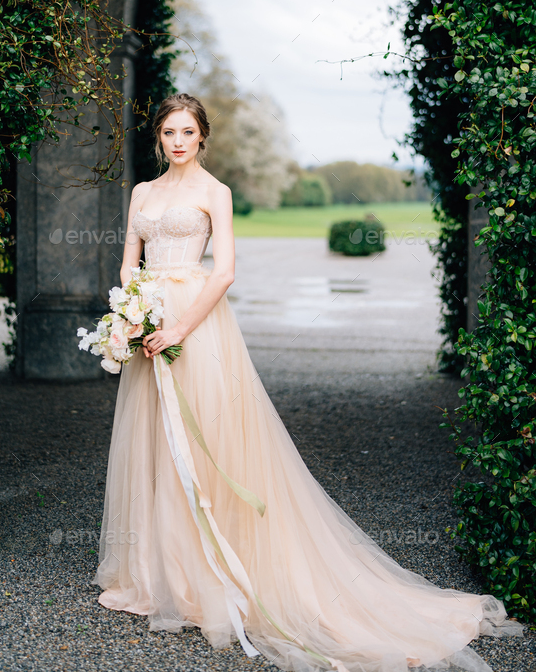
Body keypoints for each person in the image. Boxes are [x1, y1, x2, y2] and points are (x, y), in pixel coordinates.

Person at [92, 92, 523, 672]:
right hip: (149, 325)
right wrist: (133, 310)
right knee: (154, 446)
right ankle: (157, 574)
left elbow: (225, 272)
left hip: (196, 327)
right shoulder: (143, 194)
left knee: (206, 443)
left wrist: (177, 329)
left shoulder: (214, 192)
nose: (177, 141)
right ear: (158, 138)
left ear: (202, 137)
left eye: (187, 132)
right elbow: (129, 259)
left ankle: (211, 572)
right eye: (169, 131)